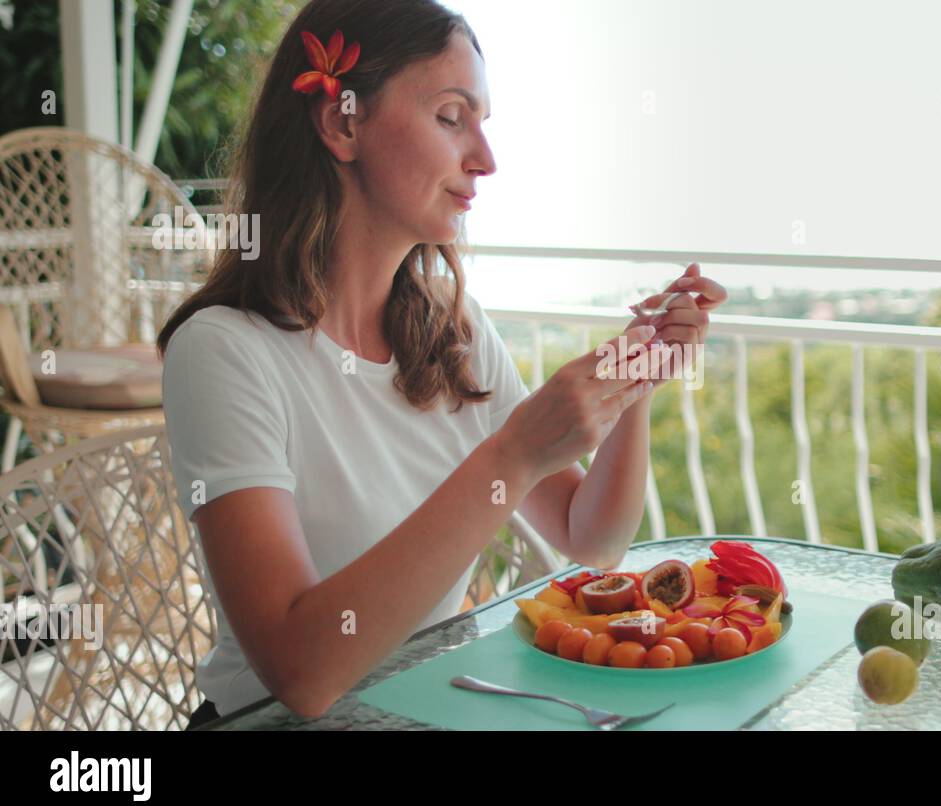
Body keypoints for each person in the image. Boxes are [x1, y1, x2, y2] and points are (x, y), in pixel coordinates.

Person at [159, 0, 725, 728]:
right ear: (342, 123)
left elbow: (591, 536)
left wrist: (638, 377)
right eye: (452, 117)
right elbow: (301, 672)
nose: (485, 159)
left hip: (417, 709)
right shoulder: (224, 351)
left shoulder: (449, 333)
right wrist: (512, 456)